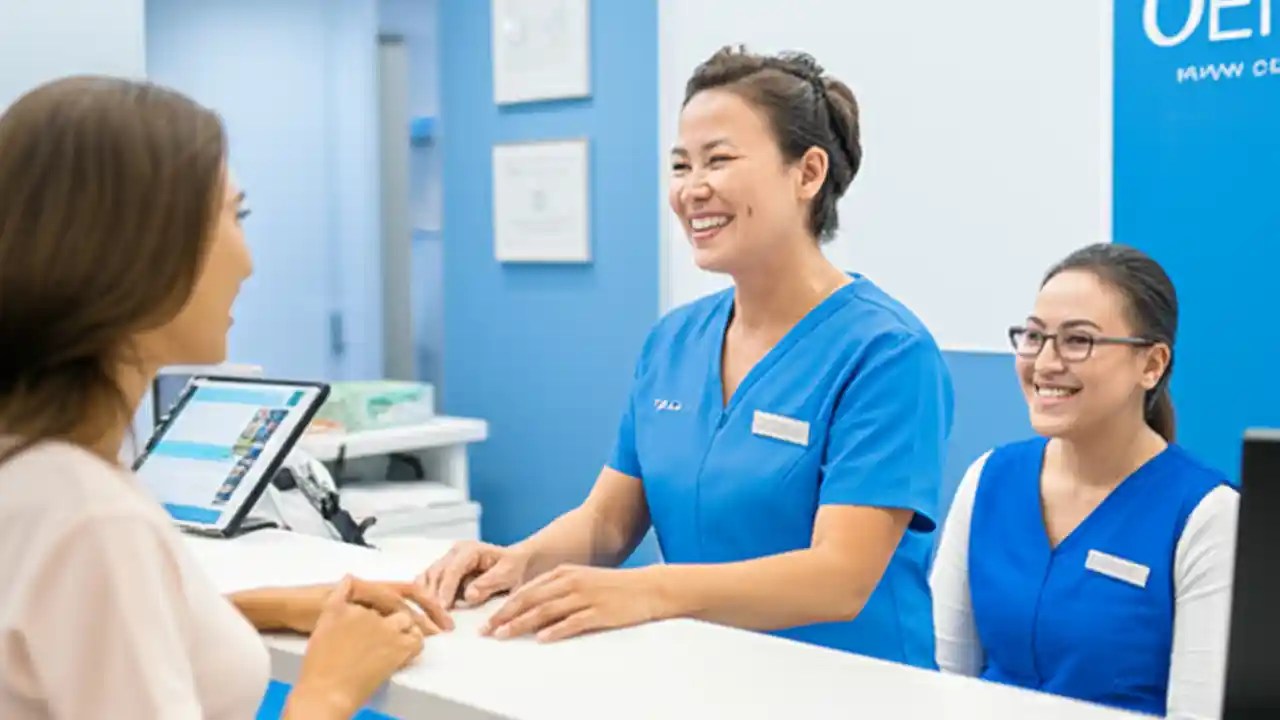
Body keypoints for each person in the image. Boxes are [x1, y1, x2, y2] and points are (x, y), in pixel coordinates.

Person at [420, 46, 953, 668]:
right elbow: (608, 523)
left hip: (855, 690)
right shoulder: (675, 341)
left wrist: (646, 591)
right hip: (705, 675)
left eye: (719, 161)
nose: (691, 190)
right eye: (680, 165)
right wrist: (516, 561)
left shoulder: (886, 353)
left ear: (807, 173)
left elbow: (839, 577)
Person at [0, 76, 454, 719]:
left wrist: (259, 607)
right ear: (142, 251)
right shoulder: (91, 519)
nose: (248, 262)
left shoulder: (31, 468)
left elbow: (58, 646)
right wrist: (329, 688)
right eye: (234, 218)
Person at [929, 243, 1238, 717]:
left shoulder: (1206, 515)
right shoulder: (989, 479)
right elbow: (944, 682)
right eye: (1034, 337)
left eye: (1078, 341)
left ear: (1151, 365)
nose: (1046, 363)